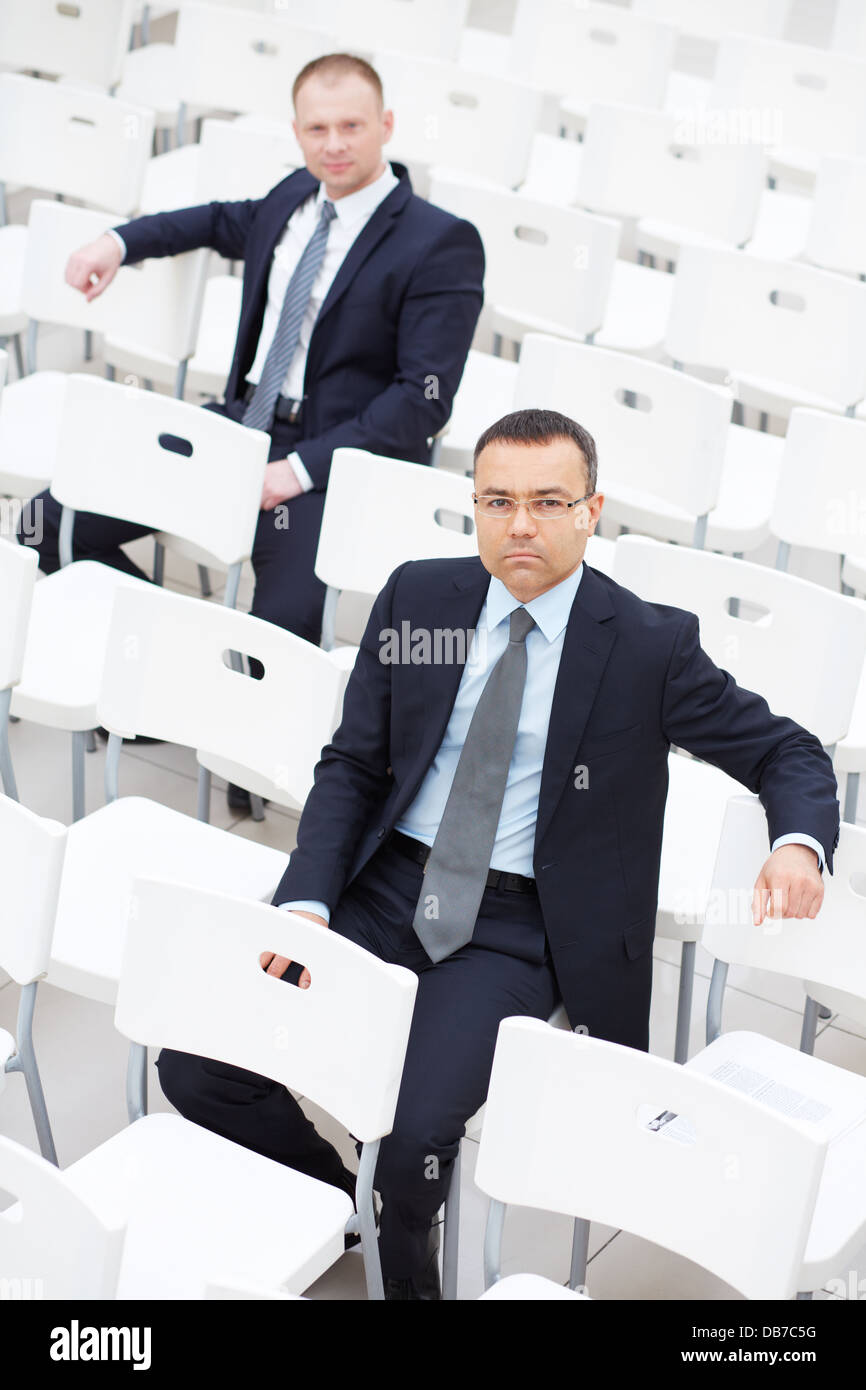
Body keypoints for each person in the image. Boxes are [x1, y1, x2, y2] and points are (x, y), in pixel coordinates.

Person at [156, 408, 839, 1299]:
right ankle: (340, 1202)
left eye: (549, 502)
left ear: (594, 512)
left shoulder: (645, 646)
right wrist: (307, 903)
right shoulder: (418, 597)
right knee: (197, 1062)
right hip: (382, 884)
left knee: (408, 1152)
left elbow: (787, 749)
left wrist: (797, 845)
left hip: (516, 928)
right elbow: (354, 765)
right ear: (474, 505)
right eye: (499, 501)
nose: (522, 524)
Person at [16, 52, 484, 810]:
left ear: (387, 127)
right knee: (46, 519)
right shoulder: (296, 197)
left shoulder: (439, 241)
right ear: (297, 134)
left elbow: (420, 403)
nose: (335, 145)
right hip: (242, 428)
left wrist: (294, 475)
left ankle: (243, 750)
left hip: (333, 460)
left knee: (286, 622)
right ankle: (170, 696)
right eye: (317, 129)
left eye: (352, 127)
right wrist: (118, 242)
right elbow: (214, 221)